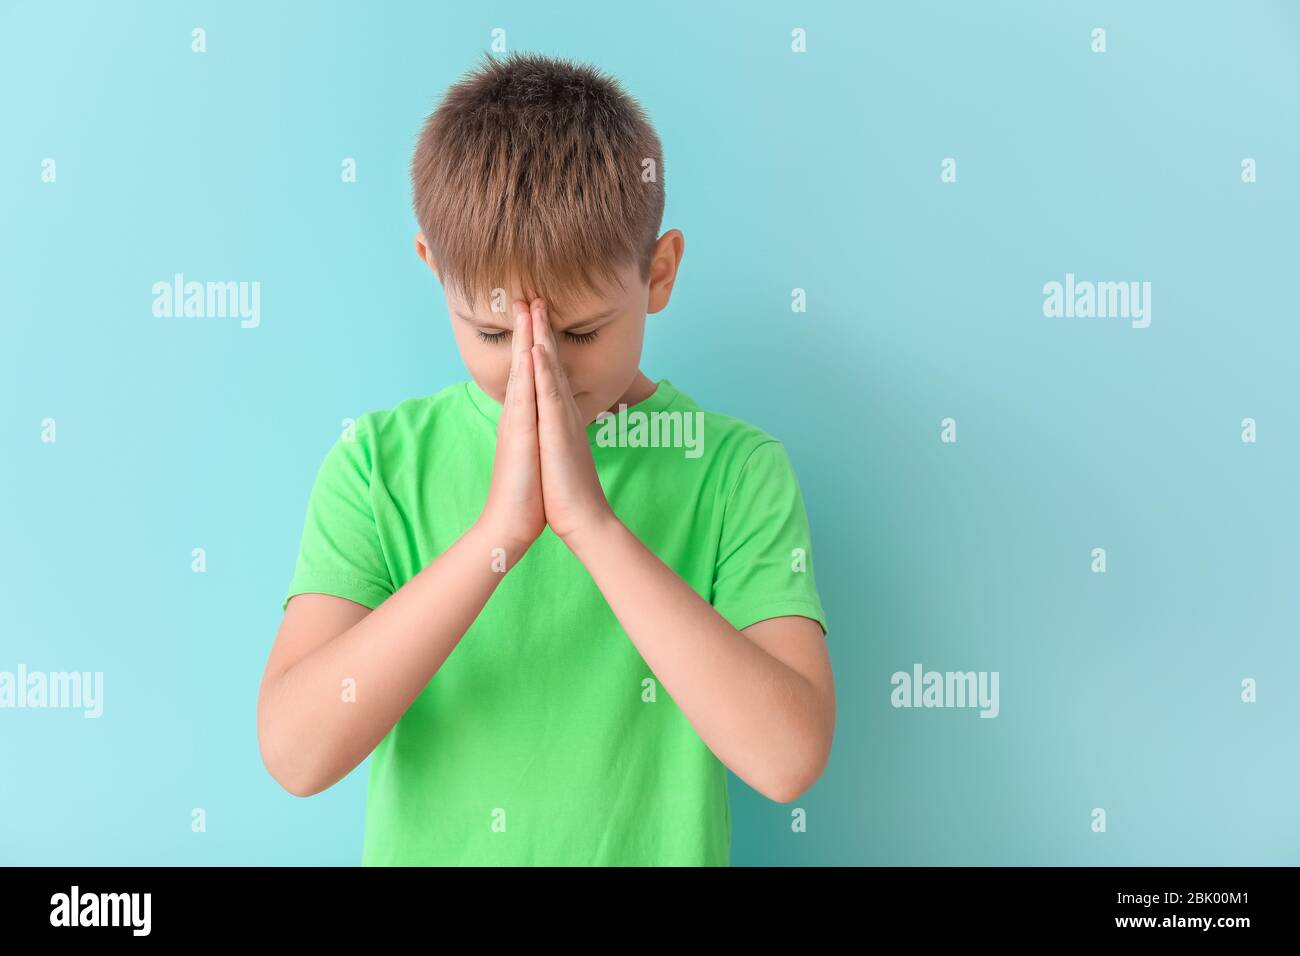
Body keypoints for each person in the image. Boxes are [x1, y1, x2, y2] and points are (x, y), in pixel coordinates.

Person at [256, 51, 834, 866]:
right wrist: (501, 530)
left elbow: (787, 759)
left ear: (658, 273)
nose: (541, 367)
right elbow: (296, 754)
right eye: (494, 334)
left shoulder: (736, 472)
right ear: (435, 270)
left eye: (582, 332)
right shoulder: (377, 466)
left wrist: (591, 526)